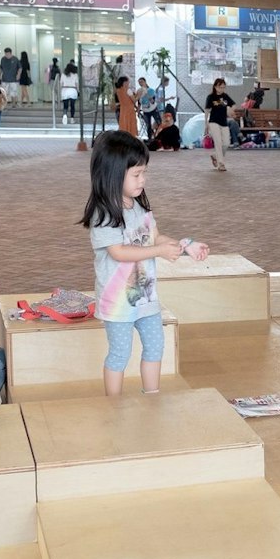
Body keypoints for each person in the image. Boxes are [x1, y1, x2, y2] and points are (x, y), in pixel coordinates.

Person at [81, 130, 208, 397]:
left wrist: (186, 245)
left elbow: (155, 237)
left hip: (146, 296)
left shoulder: (138, 206)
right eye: (136, 174)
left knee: (155, 346)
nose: (143, 180)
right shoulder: (103, 213)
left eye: (144, 173)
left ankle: (152, 396)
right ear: (113, 173)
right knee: (120, 353)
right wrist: (158, 251)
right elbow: (118, 252)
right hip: (118, 303)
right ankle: (113, 403)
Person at [205, 78, 235, 171]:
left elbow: (233, 104)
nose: (222, 89)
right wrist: (206, 123)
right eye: (220, 87)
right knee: (218, 142)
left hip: (224, 122)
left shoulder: (225, 96)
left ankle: (215, 156)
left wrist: (230, 109)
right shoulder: (210, 97)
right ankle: (221, 164)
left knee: (226, 143)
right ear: (215, 87)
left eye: (223, 87)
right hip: (213, 122)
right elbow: (206, 111)